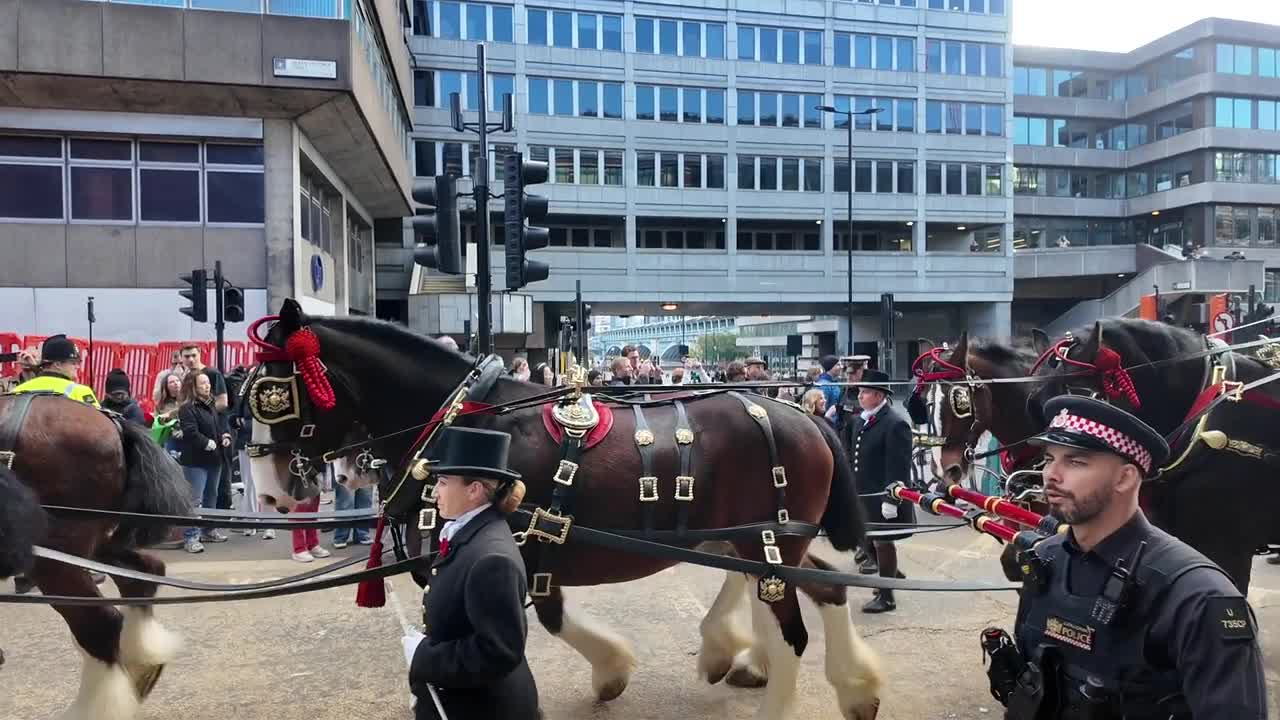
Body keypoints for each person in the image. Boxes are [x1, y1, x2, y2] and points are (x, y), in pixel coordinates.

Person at [986, 396, 1267, 719]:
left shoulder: (1199, 597)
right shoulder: (1045, 559)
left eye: (1076, 462)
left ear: (1125, 478)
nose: (1051, 474)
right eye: (1049, 458)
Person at [404, 427, 539, 720]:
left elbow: (498, 652)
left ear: (474, 490)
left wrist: (423, 656)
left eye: (442, 481)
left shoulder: (491, 559)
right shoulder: (474, 530)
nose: (435, 491)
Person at [843, 369, 913, 613]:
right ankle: (891, 574)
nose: (860, 396)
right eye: (860, 392)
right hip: (863, 496)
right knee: (864, 539)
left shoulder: (895, 423)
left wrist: (891, 499)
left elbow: (899, 466)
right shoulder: (860, 420)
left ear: (879, 395)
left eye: (865, 392)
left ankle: (887, 596)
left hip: (883, 497)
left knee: (883, 544)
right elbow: (852, 457)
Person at [176, 371, 231, 553]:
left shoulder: (211, 405)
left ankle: (208, 529)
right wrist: (206, 442)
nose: (207, 386)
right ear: (194, 387)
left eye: (208, 383)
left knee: (211, 496)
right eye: (203, 384)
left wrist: (224, 435)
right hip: (195, 461)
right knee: (194, 499)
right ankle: (191, 536)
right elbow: (190, 431)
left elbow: (218, 426)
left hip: (214, 459)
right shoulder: (187, 408)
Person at [11, 335, 99, 407]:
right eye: (73, 362)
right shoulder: (80, 392)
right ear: (57, 364)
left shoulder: (16, 391)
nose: (78, 366)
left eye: (78, 362)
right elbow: (100, 424)